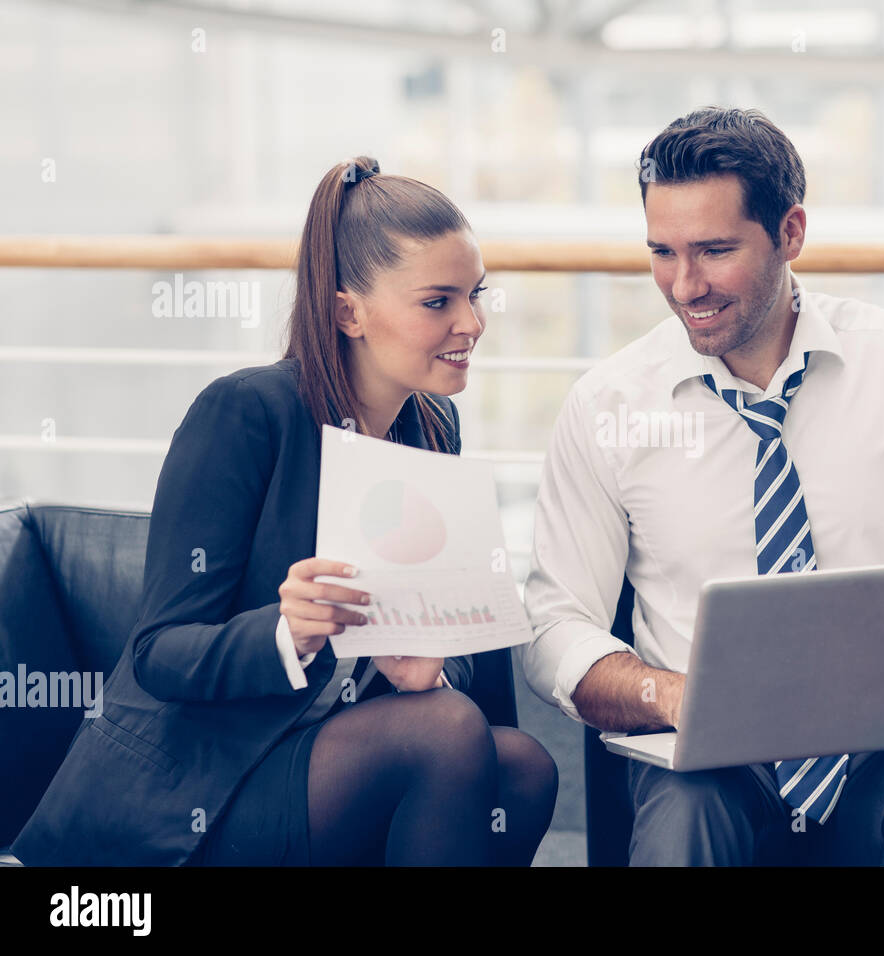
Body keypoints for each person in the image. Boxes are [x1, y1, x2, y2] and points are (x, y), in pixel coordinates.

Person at [521, 108, 884, 866]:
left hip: (881, 745)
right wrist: (670, 694)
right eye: (662, 252)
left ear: (791, 233)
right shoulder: (610, 405)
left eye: (714, 250)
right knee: (682, 832)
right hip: (708, 762)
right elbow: (553, 625)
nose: (684, 285)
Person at [13, 157, 557, 867]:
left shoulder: (433, 426)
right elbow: (158, 651)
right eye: (438, 301)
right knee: (448, 733)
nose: (473, 322)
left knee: (522, 765)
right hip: (208, 781)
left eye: (475, 295)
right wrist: (286, 633)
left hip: (330, 753)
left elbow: (447, 637)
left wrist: (432, 671)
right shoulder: (246, 413)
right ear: (346, 312)